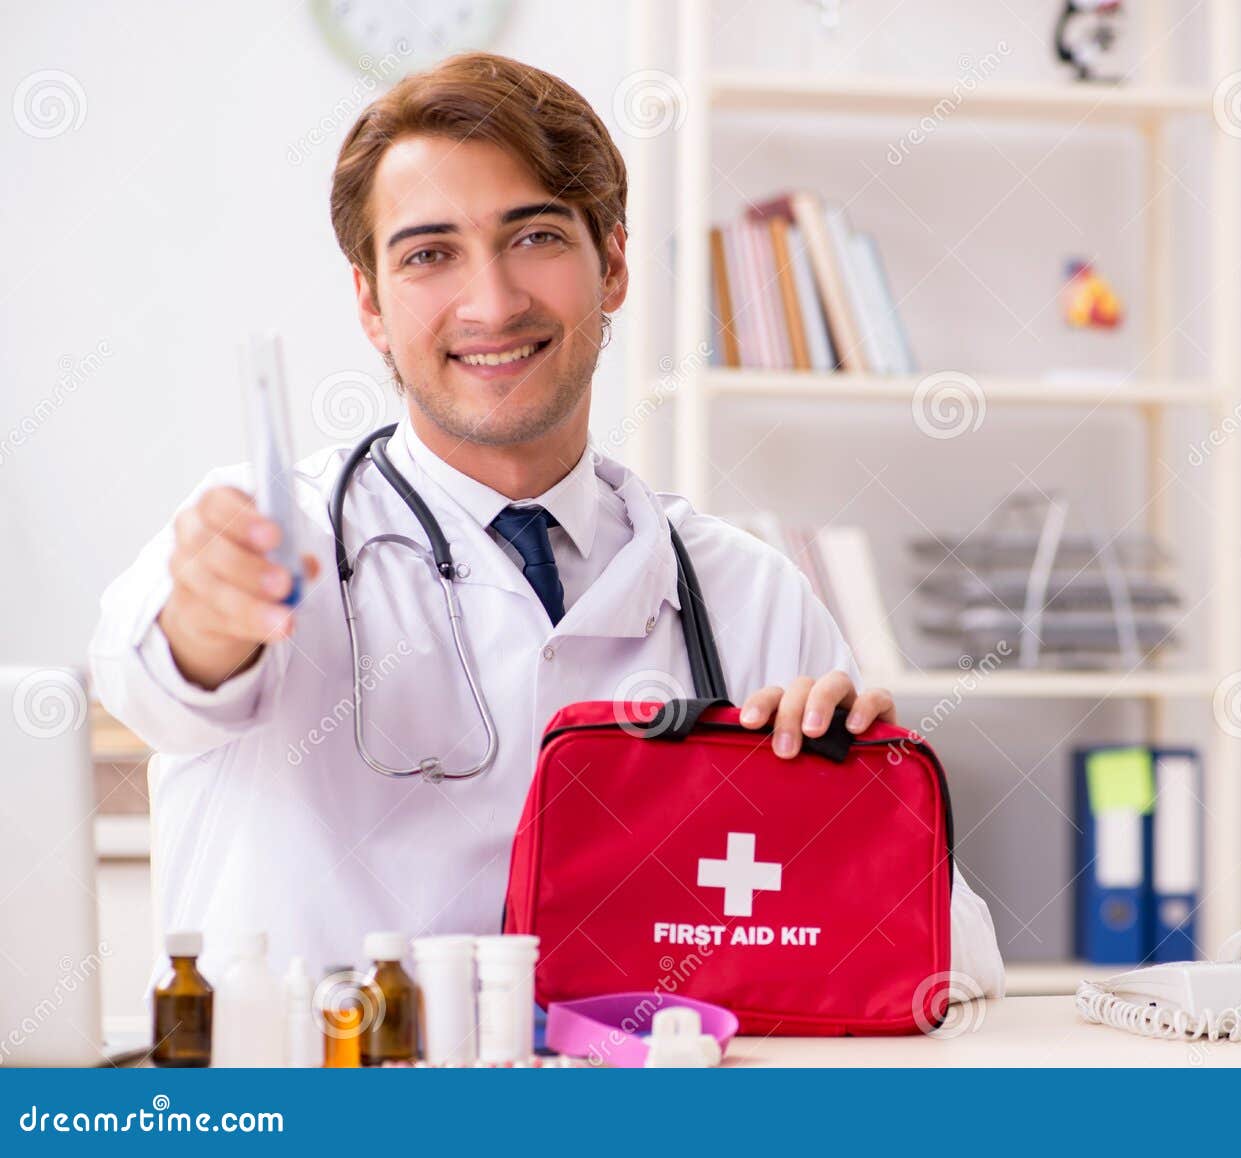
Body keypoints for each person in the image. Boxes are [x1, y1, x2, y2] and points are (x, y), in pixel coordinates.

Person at [91, 52, 1003, 999]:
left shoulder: (744, 592)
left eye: (532, 237)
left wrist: (847, 805)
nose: (492, 304)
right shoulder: (269, 540)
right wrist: (209, 626)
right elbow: (155, 679)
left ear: (611, 264)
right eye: (429, 254)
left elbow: (956, 966)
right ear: (370, 303)